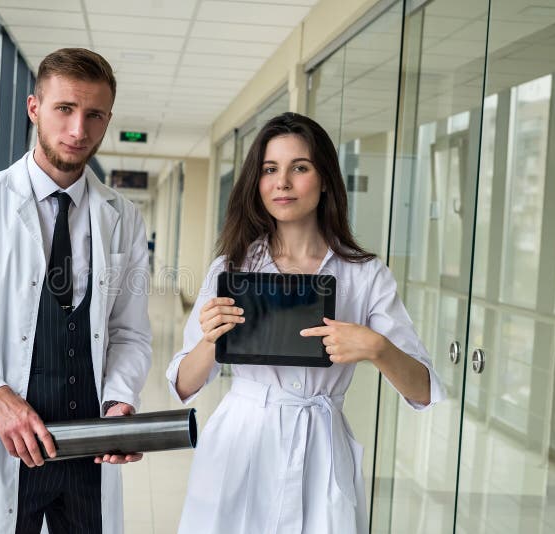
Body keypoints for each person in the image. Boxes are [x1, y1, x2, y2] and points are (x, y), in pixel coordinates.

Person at [0, 48, 152, 534]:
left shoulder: (123, 218)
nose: (79, 129)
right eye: (65, 109)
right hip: (10, 445)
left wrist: (119, 402)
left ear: (108, 121)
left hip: (89, 452)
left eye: (94, 115)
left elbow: (128, 332)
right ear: (34, 107)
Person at [166, 112, 445, 533]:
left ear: (326, 179)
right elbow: (183, 383)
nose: (282, 182)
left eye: (300, 167)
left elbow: (423, 390)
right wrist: (209, 340)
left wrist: (377, 347)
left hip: (321, 445)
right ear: (257, 184)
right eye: (269, 170)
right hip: (242, 441)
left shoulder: (365, 274)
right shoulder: (233, 268)